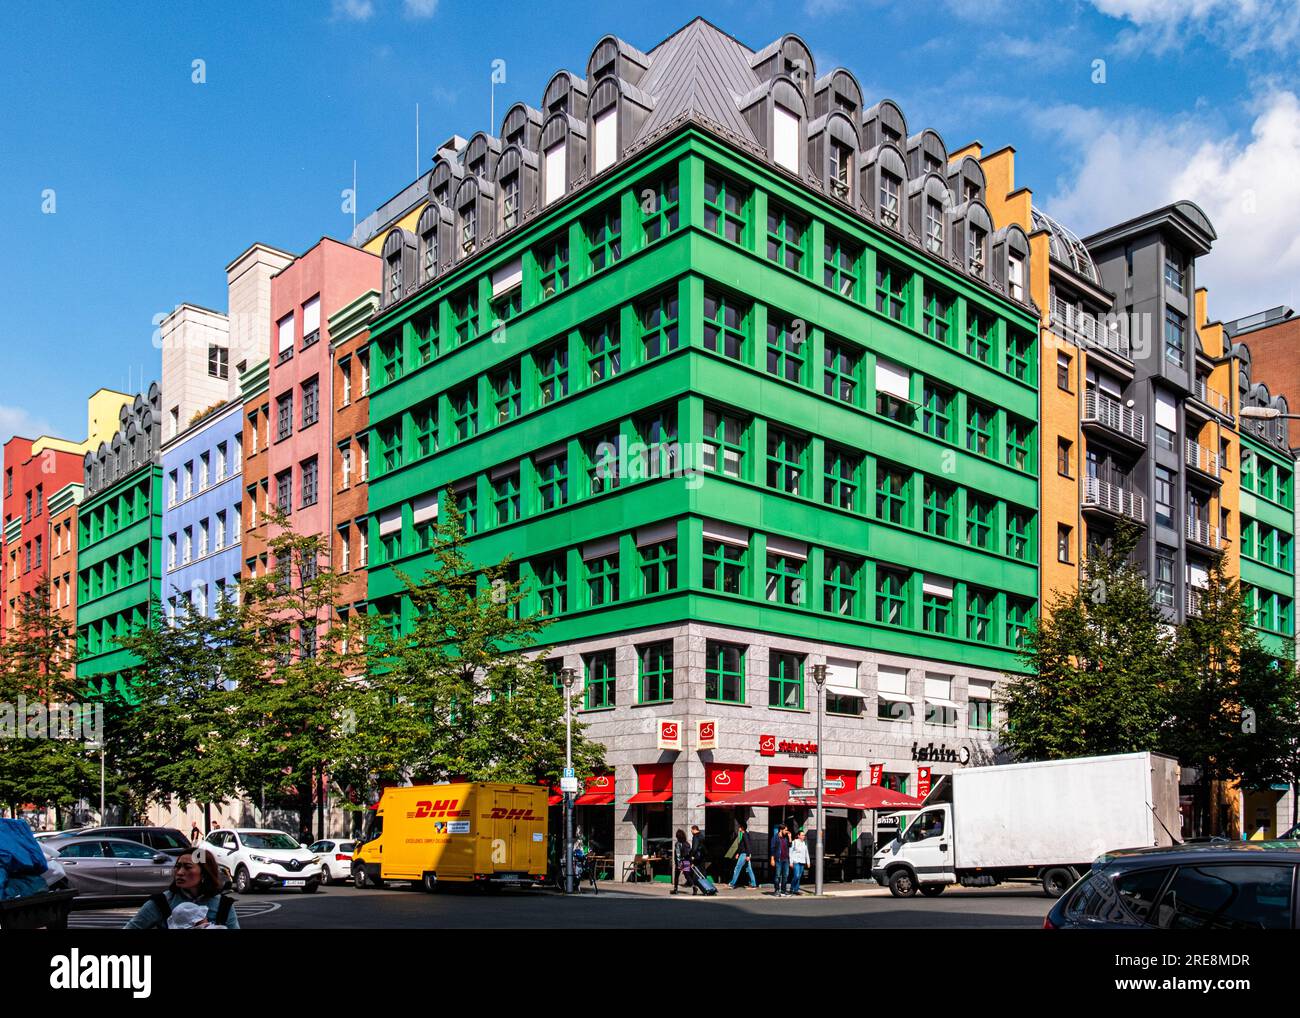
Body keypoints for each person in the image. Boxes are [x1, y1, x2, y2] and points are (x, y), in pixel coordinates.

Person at [123, 847, 240, 929]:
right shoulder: (161, 902)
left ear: (204, 873)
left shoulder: (223, 905)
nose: (179, 872)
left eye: (188, 867)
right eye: (177, 867)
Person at [726, 822, 757, 889]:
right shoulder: (743, 834)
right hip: (743, 854)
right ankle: (753, 883)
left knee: (737, 868)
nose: (738, 828)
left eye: (739, 826)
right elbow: (741, 846)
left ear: (742, 828)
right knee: (749, 869)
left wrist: (748, 855)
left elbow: (747, 845)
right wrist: (738, 853)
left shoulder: (744, 834)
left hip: (744, 854)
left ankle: (732, 883)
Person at [769, 823, 791, 896]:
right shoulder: (775, 837)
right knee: (777, 875)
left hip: (786, 859)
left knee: (786, 875)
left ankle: (783, 890)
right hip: (778, 859)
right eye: (785, 830)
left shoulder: (786, 837)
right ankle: (777, 890)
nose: (787, 831)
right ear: (781, 830)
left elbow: (790, 846)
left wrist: (790, 837)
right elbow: (772, 848)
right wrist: (772, 859)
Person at [789, 829, 810, 894]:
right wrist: (791, 862)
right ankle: (792, 888)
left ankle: (796, 890)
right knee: (796, 876)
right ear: (798, 836)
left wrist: (808, 862)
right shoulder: (794, 842)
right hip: (796, 862)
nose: (804, 836)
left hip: (802, 862)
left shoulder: (804, 843)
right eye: (802, 835)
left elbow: (806, 853)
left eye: (804, 835)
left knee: (799, 877)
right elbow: (790, 853)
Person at [671, 829, 691, 895]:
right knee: (687, 876)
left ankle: (675, 889)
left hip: (680, 862)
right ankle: (694, 887)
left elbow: (678, 854)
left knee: (676, 876)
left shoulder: (678, 844)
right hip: (687, 861)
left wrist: (678, 864)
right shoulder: (687, 843)